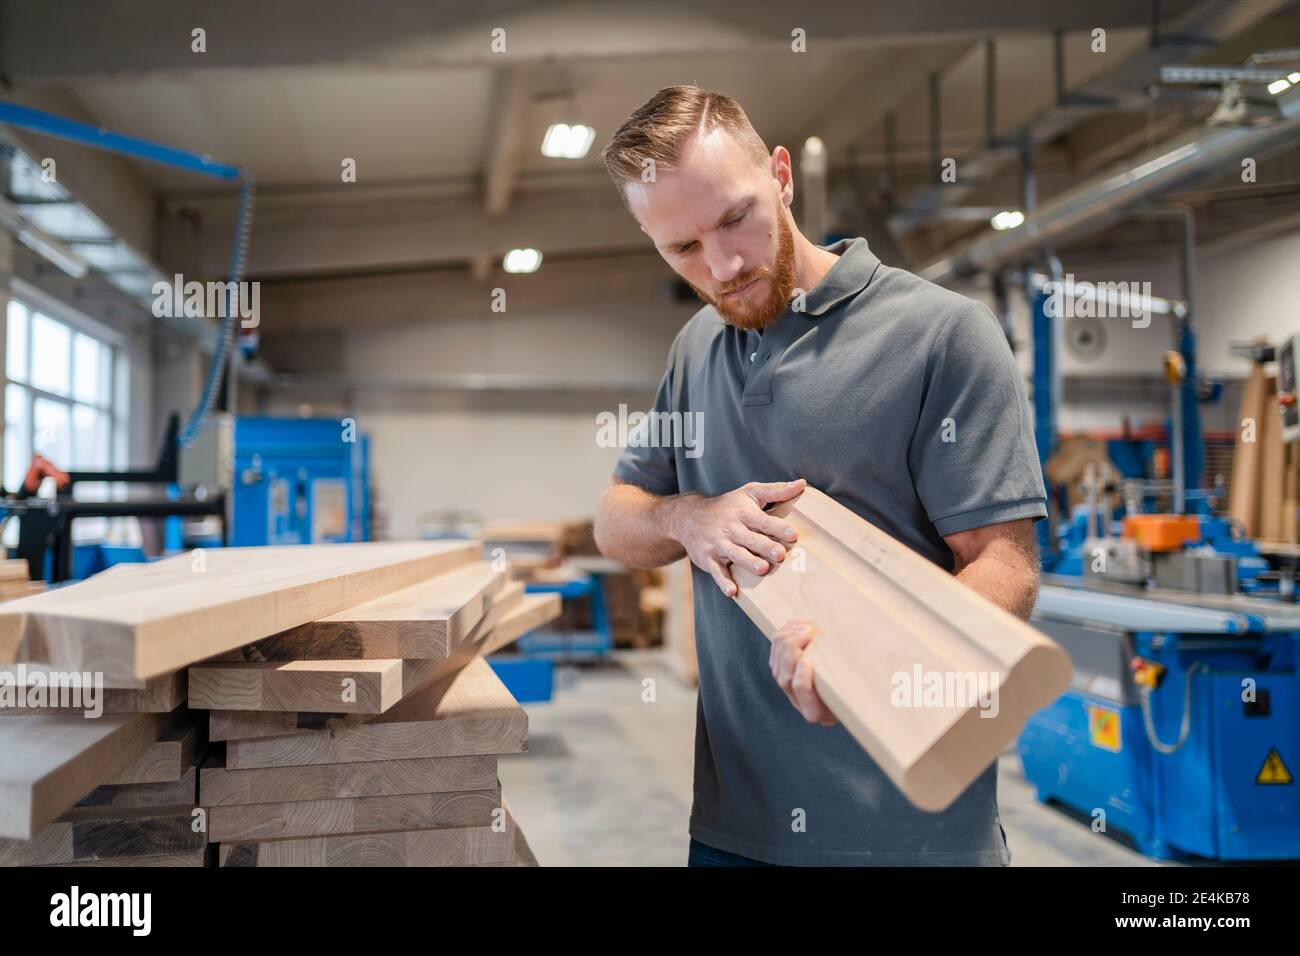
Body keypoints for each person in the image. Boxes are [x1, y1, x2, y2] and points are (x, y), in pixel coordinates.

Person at [592, 86, 1046, 866]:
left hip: (913, 838)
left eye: (735, 218)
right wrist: (687, 518)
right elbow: (615, 517)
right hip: (736, 831)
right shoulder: (697, 348)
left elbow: (1006, 568)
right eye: (683, 249)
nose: (723, 265)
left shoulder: (942, 335)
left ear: (781, 175)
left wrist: (868, 661)